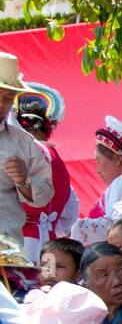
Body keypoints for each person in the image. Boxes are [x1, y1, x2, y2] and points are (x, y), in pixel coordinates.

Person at [13, 82, 78, 262]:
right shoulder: (59, 162)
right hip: (48, 246)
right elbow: (70, 214)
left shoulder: (21, 152)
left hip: (17, 241)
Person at [70, 117, 122, 245]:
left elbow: (115, 226)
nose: (97, 169)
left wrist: (74, 226)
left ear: (118, 159)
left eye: (99, 161)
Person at [0, 53, 55, 243]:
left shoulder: (24, 144)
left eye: (7, 98)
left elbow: (44, 195)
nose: (1, 104)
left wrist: (24, 181)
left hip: (5, 249)